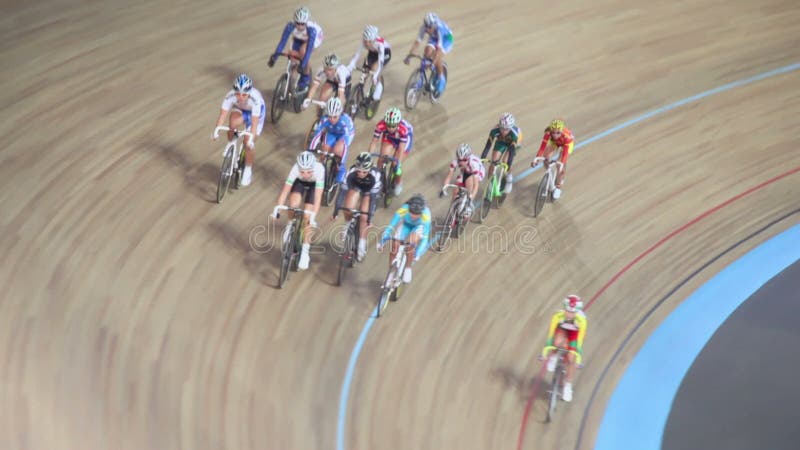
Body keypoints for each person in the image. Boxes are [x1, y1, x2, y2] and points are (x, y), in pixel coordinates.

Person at [272, 151, 325, 270]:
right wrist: (277, 210)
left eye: (309, 171)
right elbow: (285, 191)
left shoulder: (319, 169)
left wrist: (313, 217)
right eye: (302, 171)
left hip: (314, 186)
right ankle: (290, 224)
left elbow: (317, 197)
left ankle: (305, 252)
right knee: (293, 204)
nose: (306, 174)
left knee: (307, 216)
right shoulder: (295, 169)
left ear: (313, 167)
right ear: (299, 168)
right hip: (299, 183)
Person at [212, 74, 265, 186]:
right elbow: (222, 116)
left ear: (249, 93)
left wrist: (251, 139)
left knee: (247, 142)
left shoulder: (255, 100)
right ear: (234, 91)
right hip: (241, 109)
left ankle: (248, 169)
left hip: (255, 115)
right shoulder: (230, 96)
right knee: (232, 123)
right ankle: (231, 143)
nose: (240, 97)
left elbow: (254, 123)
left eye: (244, 94)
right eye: (238, 93)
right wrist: (216, 131)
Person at [331, 152, 382, 261]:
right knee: (348, 207)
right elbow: (342, 193)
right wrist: (335, 212)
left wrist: (369, 218)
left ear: (369, 169)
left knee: (364, 216)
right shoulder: (351, 172)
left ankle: (362, 243)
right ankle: (348, 223)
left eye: (364, 171)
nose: (361, 174)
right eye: (359, 171)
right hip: (356, 187)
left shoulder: (375, 175)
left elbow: (372, 199)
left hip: (369, 192)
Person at [540, 295, 587, 403]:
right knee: (556, 342)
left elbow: (579, 343)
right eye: (568, 311)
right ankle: (554, 356)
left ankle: (568, 387)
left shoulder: (582, 321)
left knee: (571, 358)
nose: (569, 314)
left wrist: (577, 358)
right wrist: (547, 351)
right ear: (564, 308)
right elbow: (550, 335)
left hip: (574, 334)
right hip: (561, 330)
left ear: (577, 312)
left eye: (572, 312)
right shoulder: (558, 316)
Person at [267, 6, 324, 91]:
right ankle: (291, 83)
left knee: (303, 51)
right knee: (293, 59)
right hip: (298, 38)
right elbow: (282, 43)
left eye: (302, 24)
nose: (300, 27)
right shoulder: (290, 26)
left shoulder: (312, 30)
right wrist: (274, 58)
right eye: (298, 23)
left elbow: (308, 52)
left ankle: (305, 78)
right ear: (294, 21)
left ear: (307, 22)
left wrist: (303, 64)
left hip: (314, 39)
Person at [378, 194, 431, 284]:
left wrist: (417, 253)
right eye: (411, 213)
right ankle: (391, 272)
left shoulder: (426, 216)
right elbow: (391, 226)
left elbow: (425, 238)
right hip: (405, 225)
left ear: (421, 212)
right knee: (395, 246)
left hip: (418, 227)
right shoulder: (404, 209)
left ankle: (407, 268)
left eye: (416, 214)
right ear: (409, 208)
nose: (413, 216)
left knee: (411, 245)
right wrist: (382, 241)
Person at [403, 12, 453, 96]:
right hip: (434, 37)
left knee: (437, 57)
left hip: (446, 39)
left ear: (434, 25)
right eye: (427, 27)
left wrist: (433, 64)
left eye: (430, 27)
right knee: (427, 52)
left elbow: (439, 50)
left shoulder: (440, 29)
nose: (428, 30)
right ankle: (421, 79)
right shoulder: (424, 28)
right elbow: (417, 43)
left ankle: (441, 79)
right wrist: (409, 55)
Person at [307, 97, 355, 183]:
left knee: (337, 150)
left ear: (340, 114)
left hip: (345, 135)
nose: (332, 119)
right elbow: (317, 134)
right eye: (330, 116)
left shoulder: (345, 121)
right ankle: (321, 167)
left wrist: (341, 162)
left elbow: (345, 144)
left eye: (335, 117)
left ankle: (341, 170)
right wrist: (310, 150)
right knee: (325, 150)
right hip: (332, 133)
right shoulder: (325, 119)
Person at [368, 107, 414, 195]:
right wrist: (369, 156)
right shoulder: (381, 125)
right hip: (390, 138)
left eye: (393, 126)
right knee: (381, 158)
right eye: (388, 125)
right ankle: (378, 180)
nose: (390, 128)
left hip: (404, 139)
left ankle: (398, 183)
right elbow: (374, 142)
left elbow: (401, 149)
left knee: (396, 164)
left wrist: (398, 163)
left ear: (398, 123)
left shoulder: (404, 129)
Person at [346, 24, 392, 105]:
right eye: (365, 41)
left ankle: (379, 87)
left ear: (374, 39)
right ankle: (361, 92)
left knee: (374, 69)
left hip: (385, 53)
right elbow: (357, 55)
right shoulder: (364, 42)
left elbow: (380, 61)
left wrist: (375, 74)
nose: (366, 44)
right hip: (373, 53)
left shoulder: (380, 44)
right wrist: (351, 65)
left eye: (369, 42)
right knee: (365, 72)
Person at [439, 143, 484, 220]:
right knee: (456, 190)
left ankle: (468, 207)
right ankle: (453, 211)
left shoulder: (474, 164)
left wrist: (470, 198)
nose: (461, 162)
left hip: (477, 173)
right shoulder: (455, 162)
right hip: (465, 172)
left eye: (464, 160)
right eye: (460, 160)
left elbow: (476, 186)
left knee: (469, 185)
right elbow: (449, 177)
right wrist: (444, 188)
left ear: (468, 158)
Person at [480, 112, 522, 193]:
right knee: (493, 161)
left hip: (513, 144)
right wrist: (482, 158)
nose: (503, 131)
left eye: (506, 129)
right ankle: (490, 184)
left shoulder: (515, 134)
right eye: (501, 128)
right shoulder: (494, 130)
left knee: (505, 161)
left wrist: (508, 166)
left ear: (510, 127)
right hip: (501, 142)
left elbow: (512, 151)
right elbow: (488, 146)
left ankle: (509, 177)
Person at [532, 119, 574, 199]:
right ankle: (549, 174)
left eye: (558, 132)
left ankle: (558, 187)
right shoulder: (548, 133)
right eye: (553, 132)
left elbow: (564, 154)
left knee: (560, 164)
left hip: (566, 144)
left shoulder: (567, 137)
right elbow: (542, 147)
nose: (555, 134)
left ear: (561, 131)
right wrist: (536, 159)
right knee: (545, 156)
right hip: (555, 143)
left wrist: (561, 164)